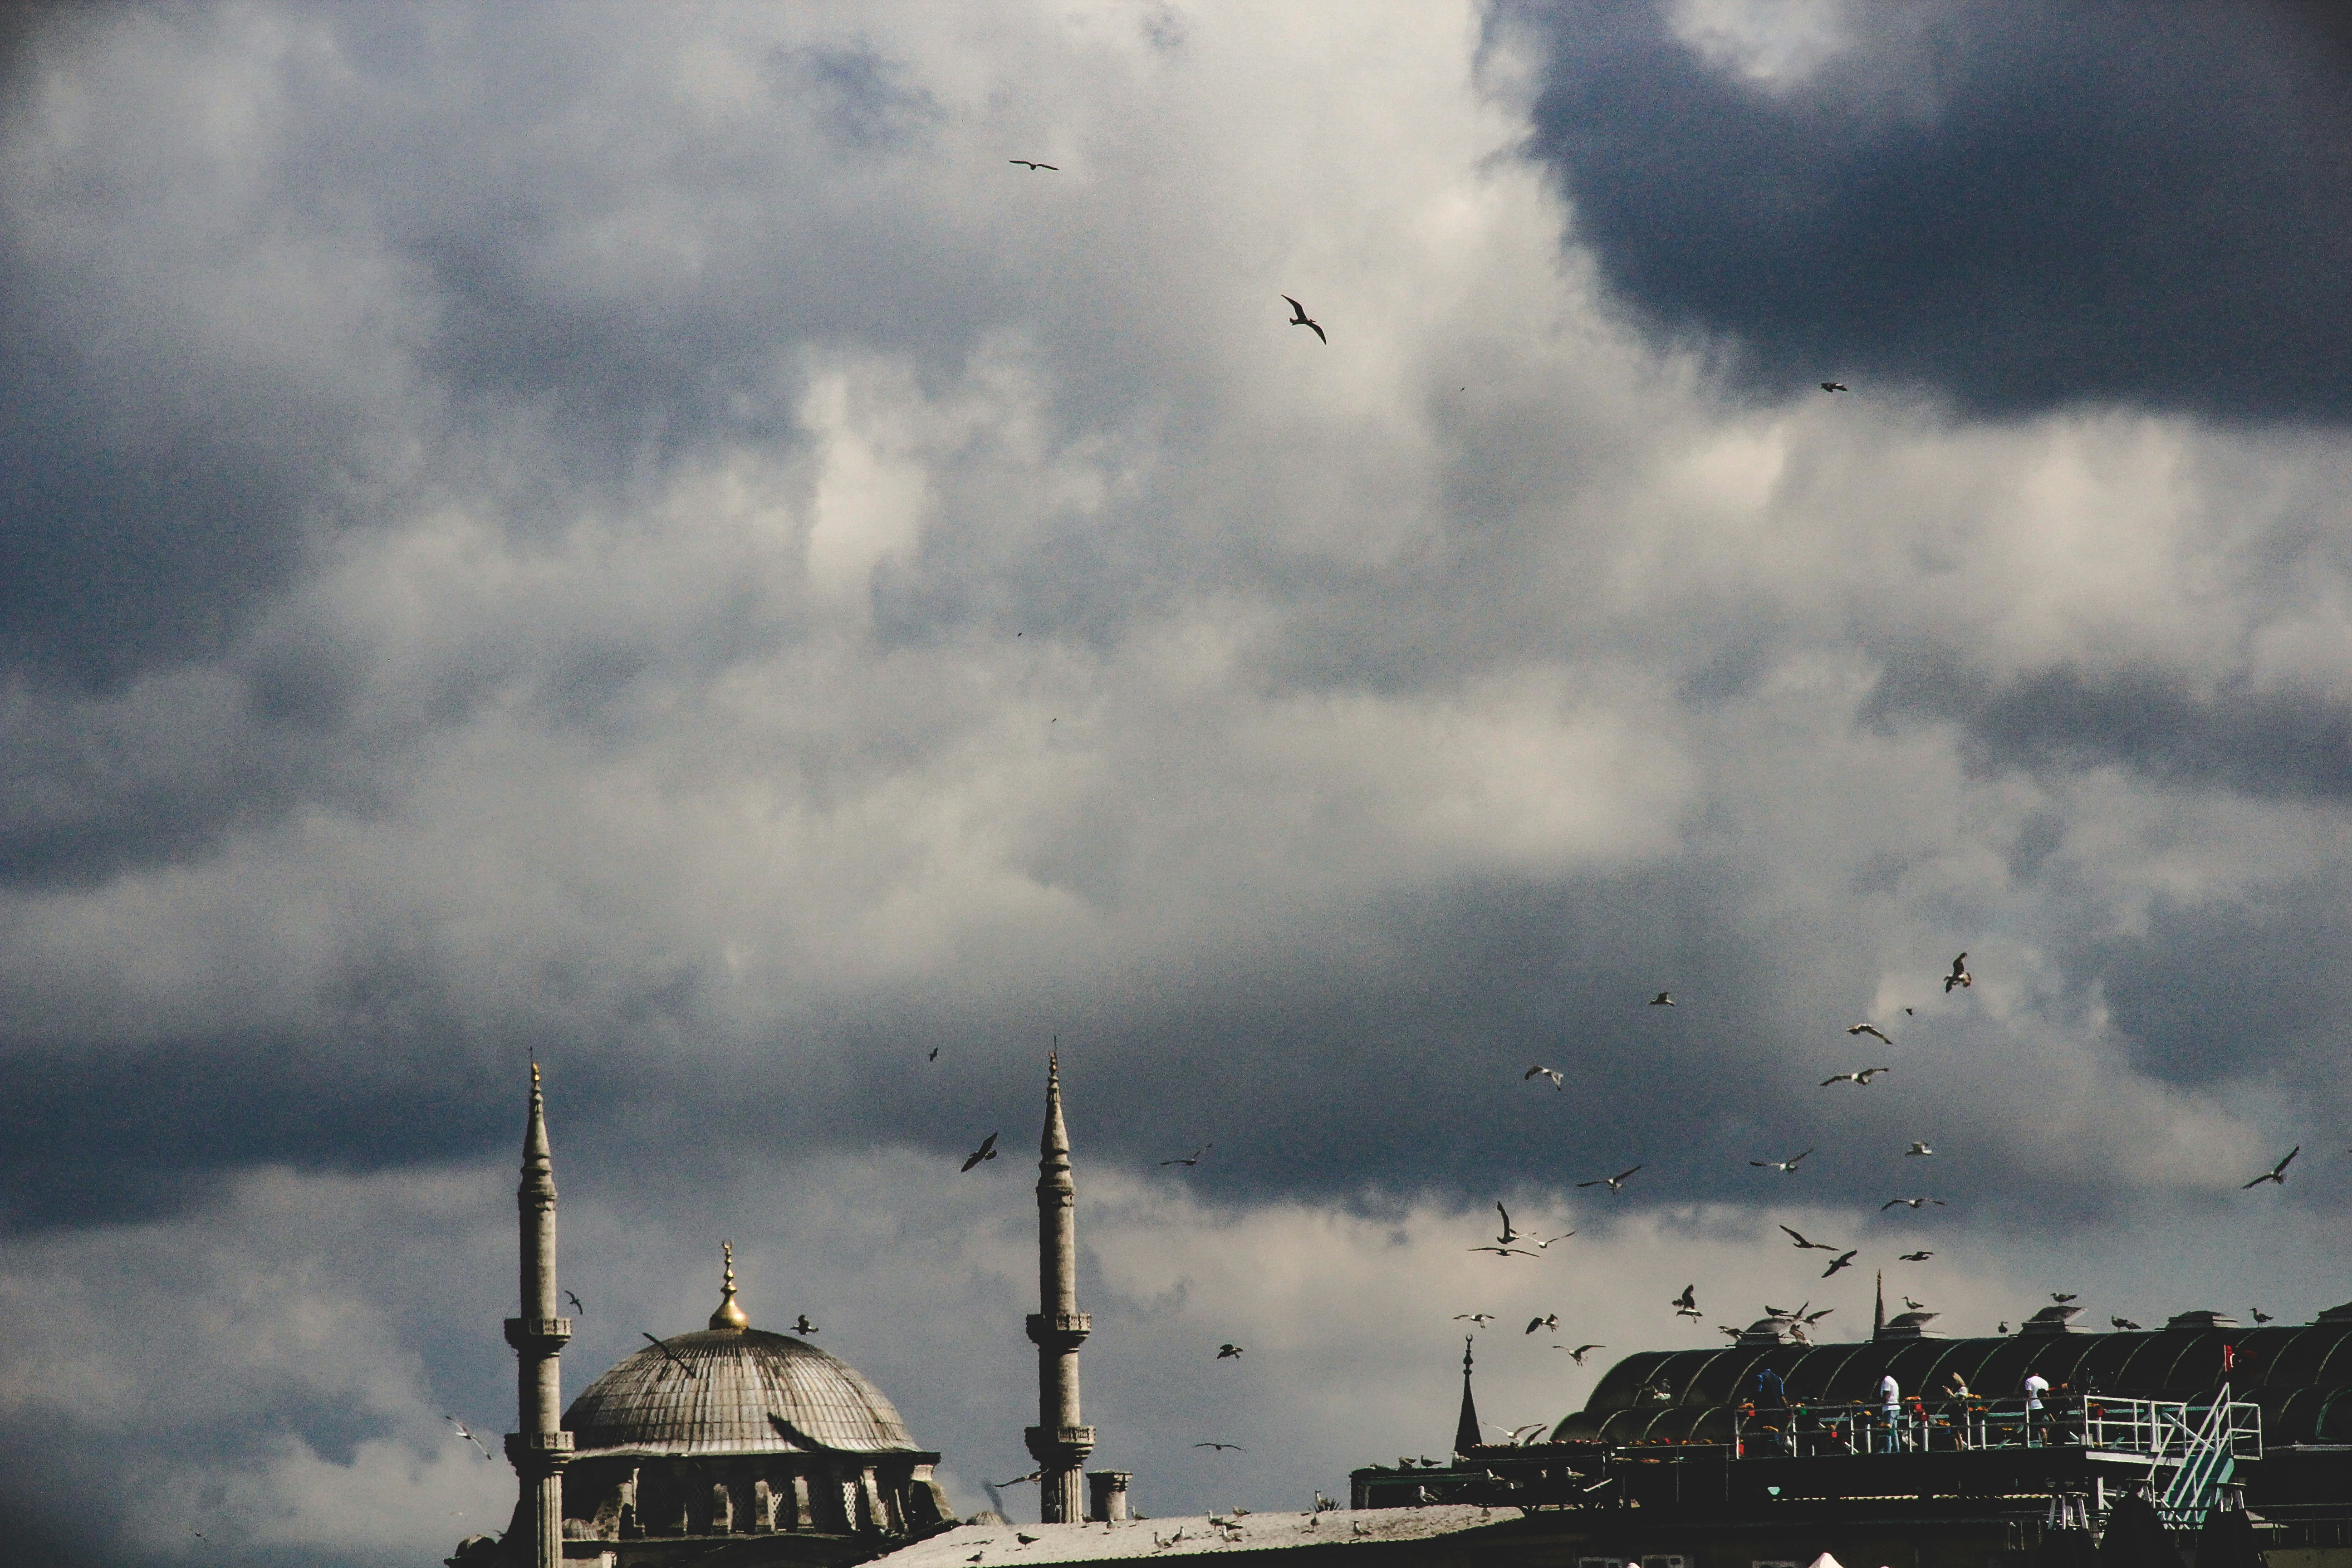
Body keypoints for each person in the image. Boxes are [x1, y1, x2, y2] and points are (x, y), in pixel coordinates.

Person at [2023, 1370, 2049, 1446]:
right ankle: (2045, 1445)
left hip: (2033, 1407)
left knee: (2027, 1425)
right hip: (2042, 1406)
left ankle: (2026, 1444)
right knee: (2041, 1426)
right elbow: (2047, 1395)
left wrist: (2028, 1406)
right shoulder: (2045, 1382)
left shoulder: (2029, 1381)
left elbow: (2029, 1394)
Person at [1879, 1372, 1902, 1452]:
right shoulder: (1892, 1380)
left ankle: (1888, 1451)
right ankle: (1897, 1450)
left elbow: (1887, 1395)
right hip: (1895, 1408)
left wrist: (1879, 1403)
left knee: (1888, 1430)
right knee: (1893, 1431)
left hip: (1890, 1409)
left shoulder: (1886, 1381)